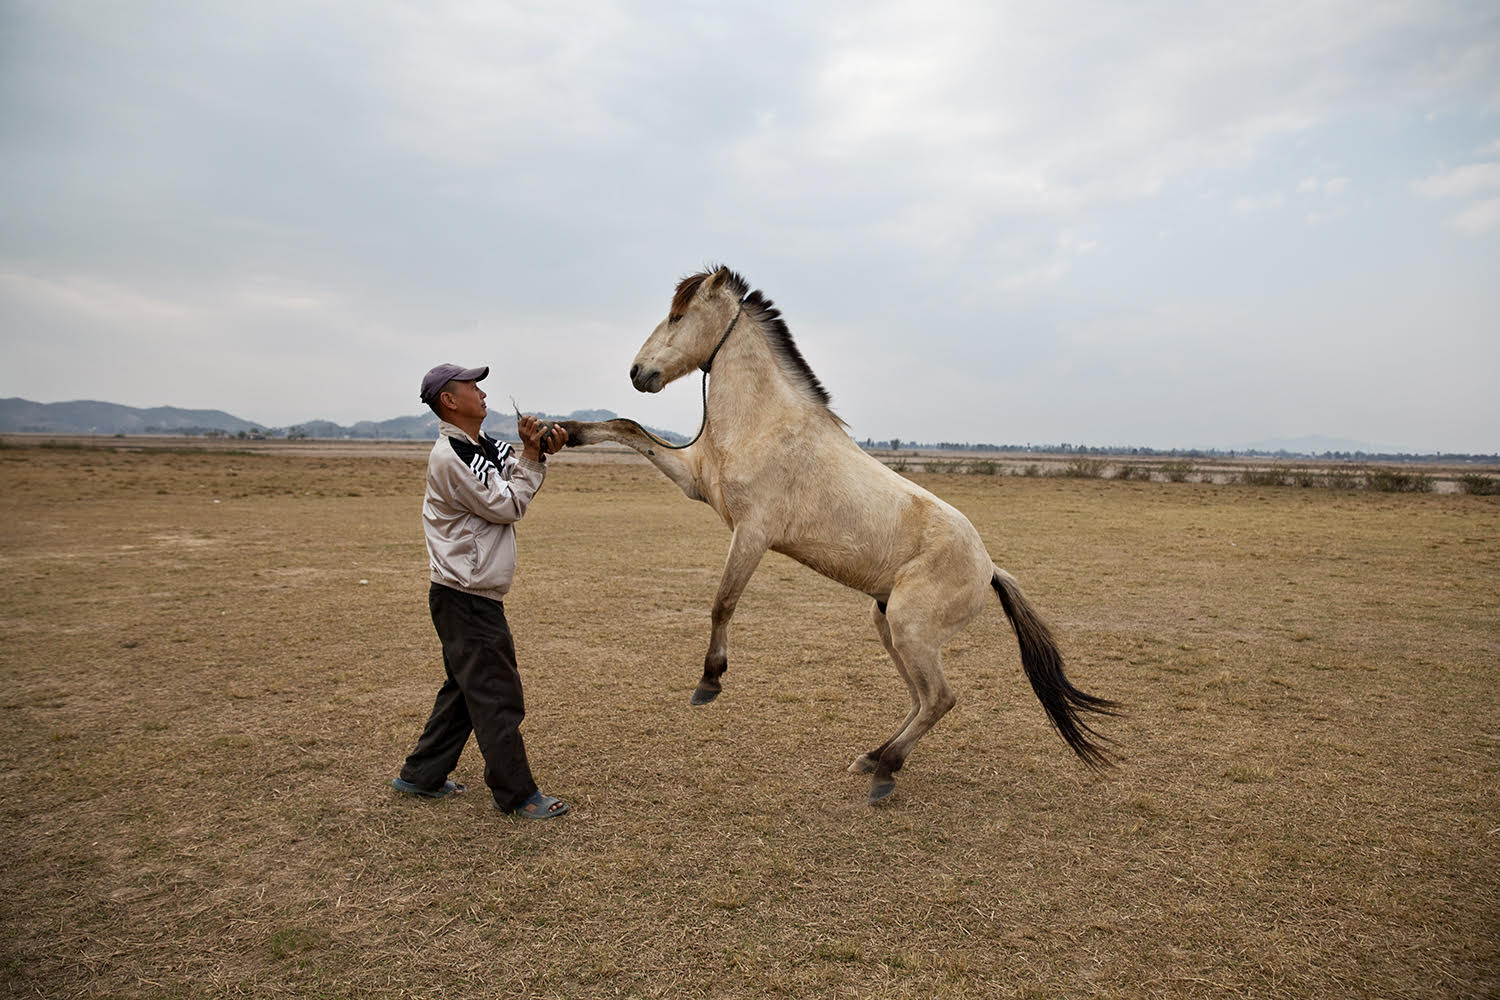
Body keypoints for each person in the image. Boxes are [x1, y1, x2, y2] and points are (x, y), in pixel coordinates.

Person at [391, 363, 571, 819]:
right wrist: (530, 457)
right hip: (465, 596)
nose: (483, 393)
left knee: (465, 689)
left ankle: (421, 775)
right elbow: (508, 503)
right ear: (449, 401)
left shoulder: (480, 445)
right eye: (472, 386)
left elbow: (515, 470)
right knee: (495, 693)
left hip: (465, 593)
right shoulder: (451, 457)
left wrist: (537, 448)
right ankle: (517, 794)